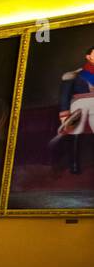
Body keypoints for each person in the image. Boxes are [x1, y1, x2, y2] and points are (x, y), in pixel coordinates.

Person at [53, 42, 94, 175]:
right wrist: (64, 115)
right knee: (75, 131)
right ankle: (74, 165)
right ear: (88, 57)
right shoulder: (73, 75)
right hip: (79, 103)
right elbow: (65, 95)